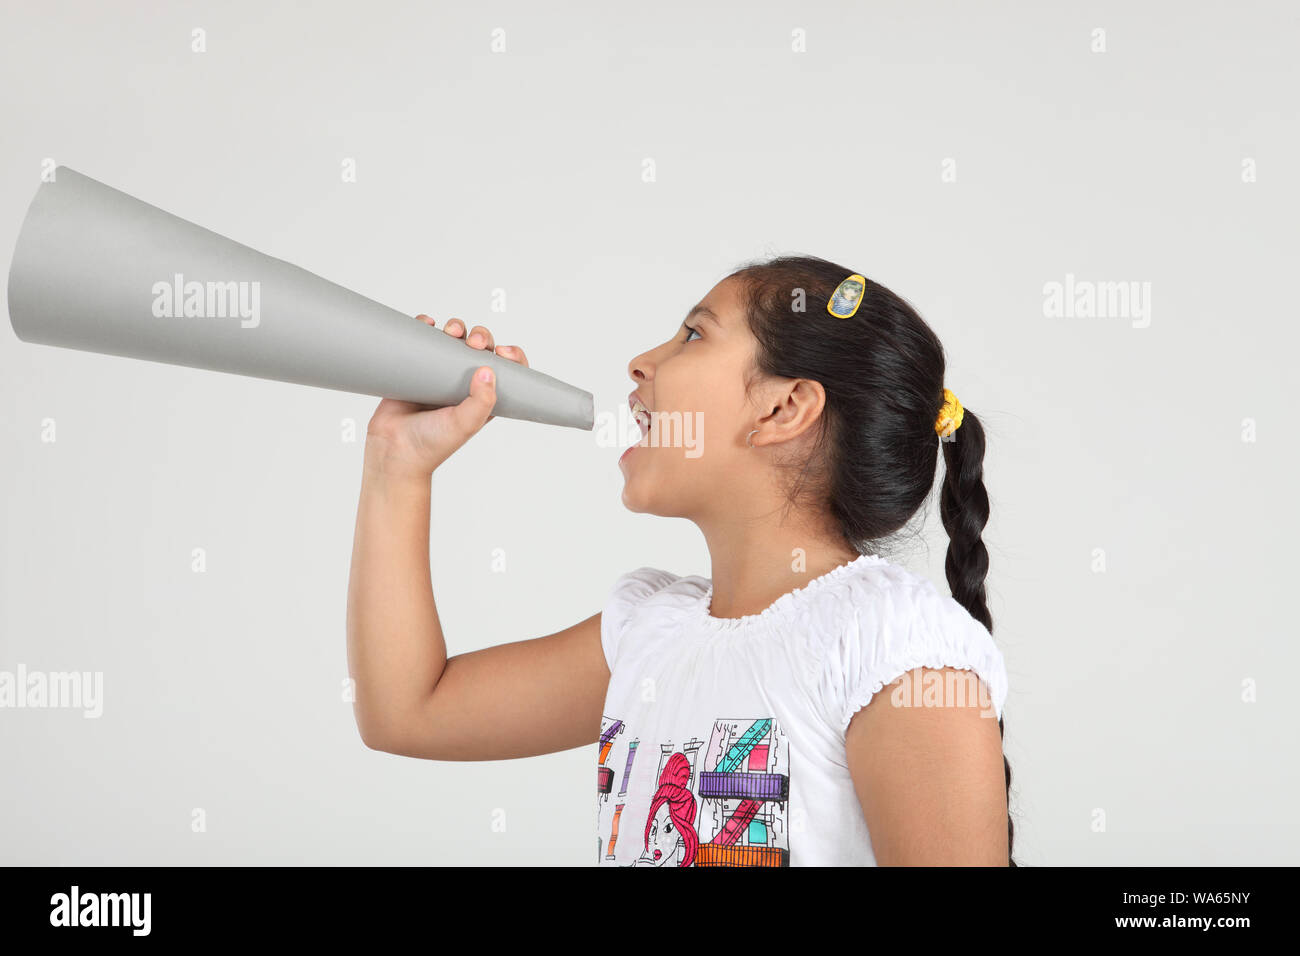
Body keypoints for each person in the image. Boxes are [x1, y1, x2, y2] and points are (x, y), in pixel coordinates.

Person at [347, 254, 1015, 866]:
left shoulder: (891, 646)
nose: (641, 362)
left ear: (783, 407)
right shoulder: (649, 634)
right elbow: (407, 709)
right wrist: (397, 464)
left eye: (693, 335)